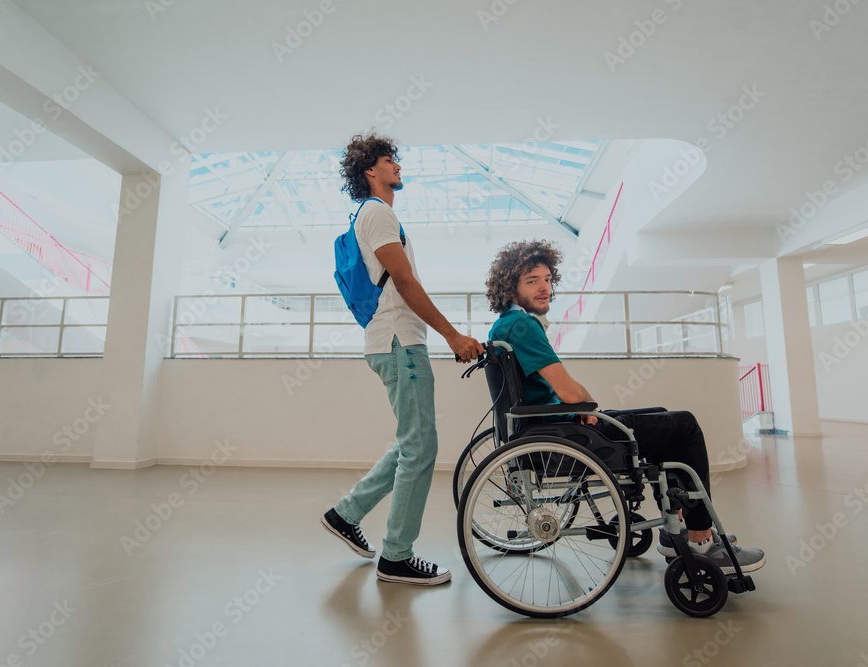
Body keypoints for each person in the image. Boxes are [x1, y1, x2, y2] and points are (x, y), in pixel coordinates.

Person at [484, 240, 765, 574]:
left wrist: (582, 402)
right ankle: (700, 539)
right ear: (511, 287)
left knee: (662, 416)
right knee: (684, 426)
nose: (545, 287)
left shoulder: (507, 325)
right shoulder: (522, 325)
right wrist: (586, 402)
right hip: (560, 432)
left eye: (547, 278)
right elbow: (569, 392)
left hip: (548, 426)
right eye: (533, 281)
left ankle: (674, 529)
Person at [321, 132, 483, 585]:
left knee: (412, 441)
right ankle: (396, 557)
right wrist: (452, 335)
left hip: (393, 341)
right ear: (370, 170)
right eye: (390, 160)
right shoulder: (377, 213)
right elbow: (406, 283)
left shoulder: (373, 215)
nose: (398, 166)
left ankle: (345, 513)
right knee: (421, 445)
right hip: (399, 342)